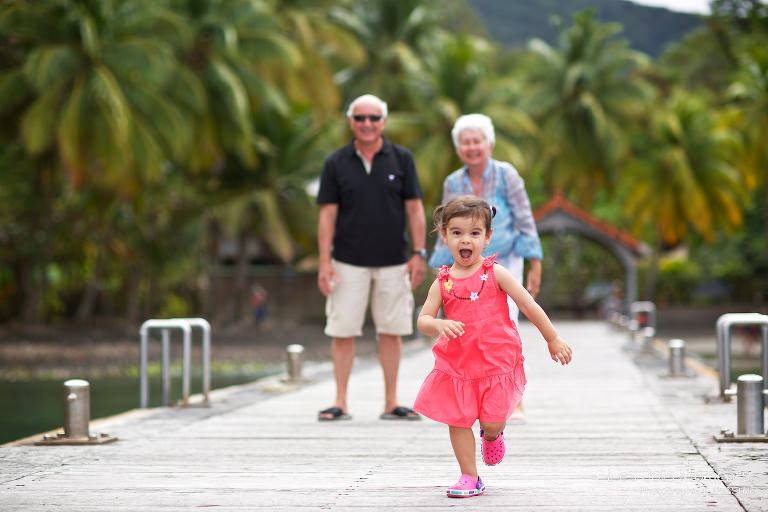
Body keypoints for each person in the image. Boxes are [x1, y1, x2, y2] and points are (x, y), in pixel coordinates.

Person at [414, 196, 572, 498]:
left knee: (491, 419)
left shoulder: (495, 273)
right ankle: (469, 476)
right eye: (457, 232)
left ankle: (492, 435)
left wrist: (552, 338)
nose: (466, 240)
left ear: (487, 238)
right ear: (445, 236)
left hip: (496, 362)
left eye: (474, 233)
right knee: (457, 420)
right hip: (458, 366)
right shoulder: (443, 282)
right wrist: (438, 325)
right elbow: (423, 319)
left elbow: (528, 304)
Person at [316, 94, 428, 422]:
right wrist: (324, 261)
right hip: (347, 260)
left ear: (384, 121)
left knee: (392, 330)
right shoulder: (335, 163)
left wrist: (419, 253)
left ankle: (392, 402)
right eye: (361, 117)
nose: (367, 124)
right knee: (342, 330)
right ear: (351, 121)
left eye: (374, 118)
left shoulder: (402, 159)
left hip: (395, 260)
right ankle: (340, 401)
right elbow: (327, 215)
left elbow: (415, 209)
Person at [429, 113, 543, 422]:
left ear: (489, 144)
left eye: (476, 141)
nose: (471, 147)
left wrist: (535, 261)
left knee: (508, 325)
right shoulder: (453, 181)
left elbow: (524, 216)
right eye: (465, 142)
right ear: (458, 148)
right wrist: (443, 268)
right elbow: (447, 224)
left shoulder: (507, 175)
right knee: (470, 330)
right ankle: (473, 398)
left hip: (505, 259)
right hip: (465, 266)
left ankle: (513, 399)